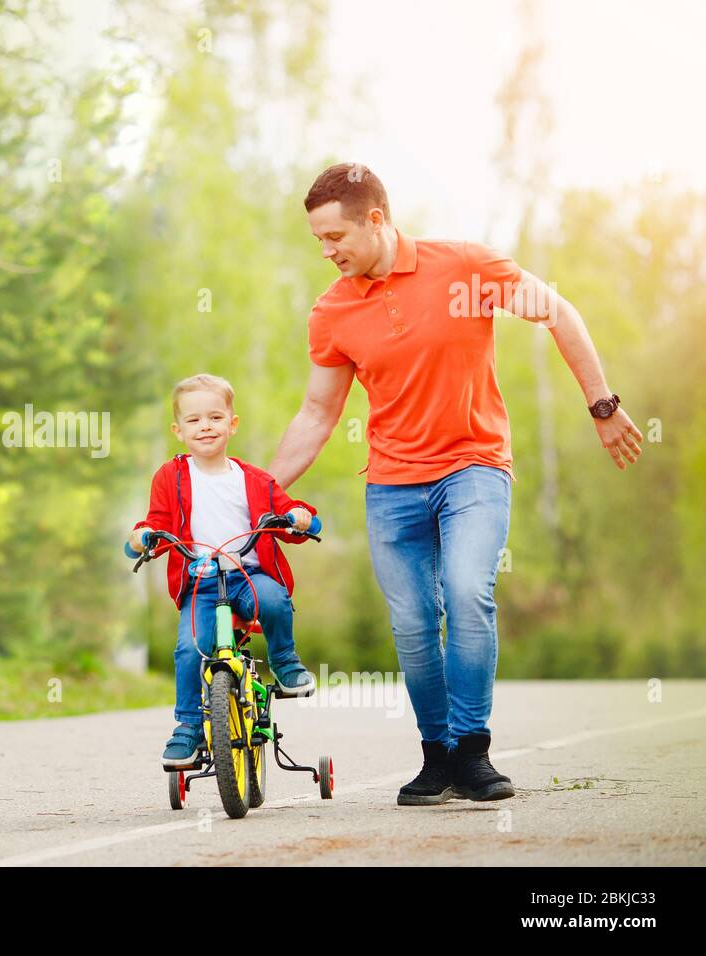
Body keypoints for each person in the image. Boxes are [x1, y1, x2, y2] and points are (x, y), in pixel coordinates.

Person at [269, 163, 642, 803]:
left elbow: (558, 312)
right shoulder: (332, 312)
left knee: (468, 592)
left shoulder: (463, 266)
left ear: (376, 219)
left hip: (474, 467)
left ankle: (473, 753)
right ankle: (435, 755)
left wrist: (602, 407)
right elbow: (317, 413)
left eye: (335, 238)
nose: (327, 252)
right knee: (414, 624)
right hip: (392, 484)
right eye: (318, 242)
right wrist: (262, 491)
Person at [128, 373, 319, 768]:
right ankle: (187, 727)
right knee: (187, 649)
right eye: (194, 420)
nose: (205, 427)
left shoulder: (254, 479)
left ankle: (284, 662)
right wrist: (142, 538)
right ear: (178, 430)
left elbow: (288, 514)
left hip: (248, 575)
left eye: (215, 418)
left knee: (274, 600)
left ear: (232, 424)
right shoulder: (171, 476)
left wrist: (300, 517)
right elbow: (156, 523)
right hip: (200, 583)